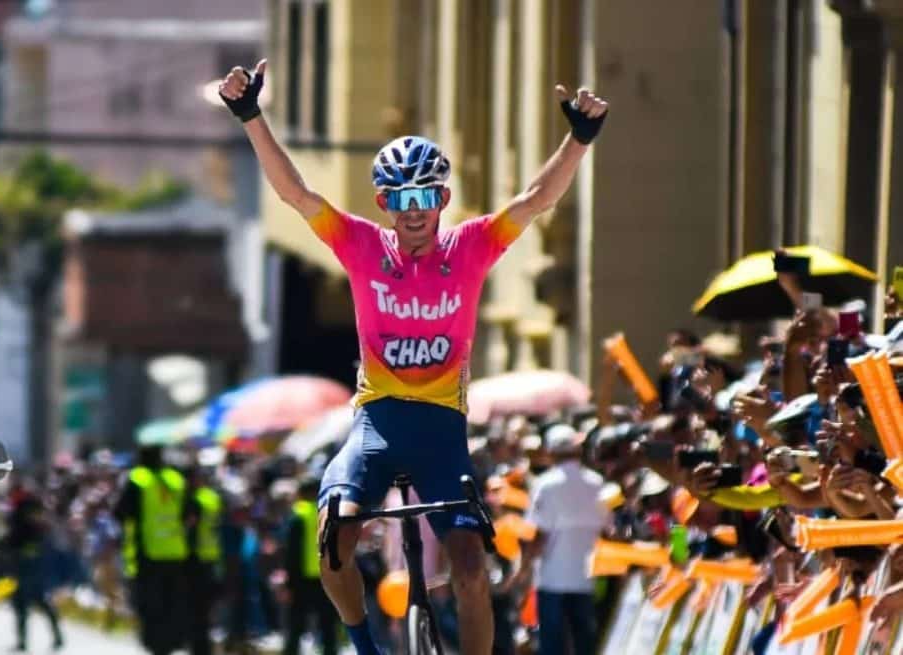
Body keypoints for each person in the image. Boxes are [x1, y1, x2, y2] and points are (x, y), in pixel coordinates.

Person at [219, 58, 608, 655]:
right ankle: (365, 647)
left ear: (443, 198)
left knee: (471, 569)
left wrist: (578, 139)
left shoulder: (470, 247)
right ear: (383, 201)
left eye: (425, 195)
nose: (414, 209)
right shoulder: (361, 245)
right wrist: (250, 115)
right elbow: (296, 193)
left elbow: (534, 201)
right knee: (334, 538)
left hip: (442, 432)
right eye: (400, 197)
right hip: (376, 425)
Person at [521, 424, 607, 655]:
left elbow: (538, 534)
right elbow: (607, 528)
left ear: (550, 452)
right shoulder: (597, 483)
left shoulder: (545, 484)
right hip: (586, 577)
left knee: (553, 644)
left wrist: (522, 570)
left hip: (552, 578)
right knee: (584, 642)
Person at [114, 444, 194, 655]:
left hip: (148, 553)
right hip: (176, 552)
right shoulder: (176, 480)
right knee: (172, 603)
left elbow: (120, 512)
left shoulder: (138, 479)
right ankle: (171, 644)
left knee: (150, 605)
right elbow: (190, 514)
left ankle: (156, 646)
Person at [281, 474, 338, 655]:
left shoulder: (297, 515)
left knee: (296, 625)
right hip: (326, 576)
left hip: (301, 578)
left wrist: (288, 582)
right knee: (327, 625)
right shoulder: (326, 513)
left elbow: (291, 552)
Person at [6, 477, 65, 652]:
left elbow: (37, 531)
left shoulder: (29, 505)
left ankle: (54, 637)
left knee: (34, 599)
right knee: (25, 602)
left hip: (30, 562)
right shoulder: (21, 507)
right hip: (23, 561)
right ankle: (26, 641)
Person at [186, 465, 225, 655]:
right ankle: (205, 648)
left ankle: (198, 649)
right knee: (206, 611)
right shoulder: (213, 498)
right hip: (213, 559)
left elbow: (191, 530)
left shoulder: (194, 500)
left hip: (196, 560)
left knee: (196, 611)